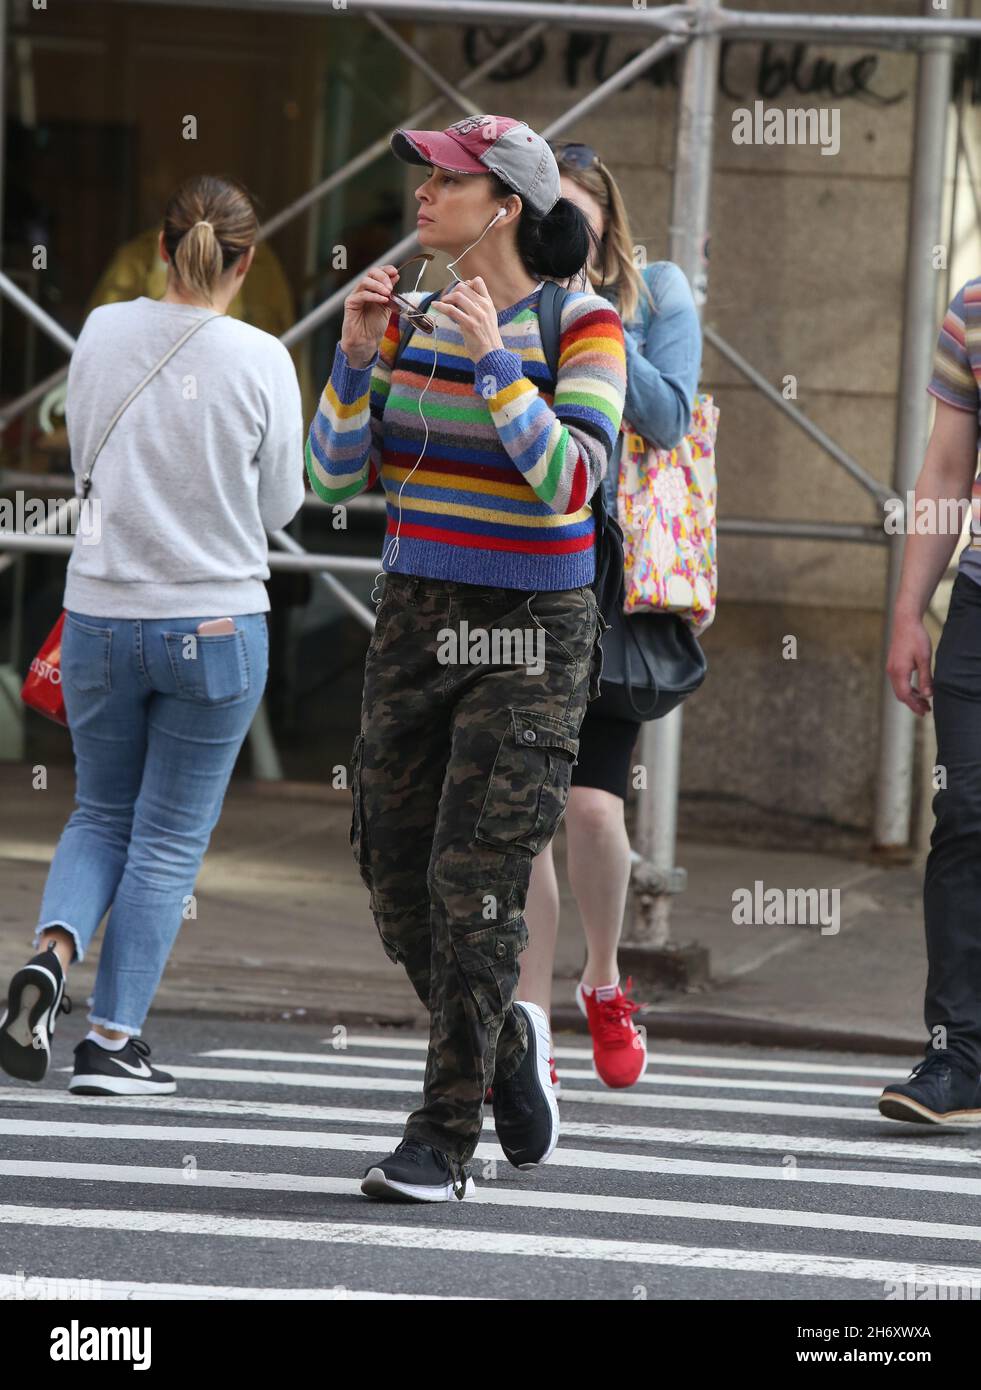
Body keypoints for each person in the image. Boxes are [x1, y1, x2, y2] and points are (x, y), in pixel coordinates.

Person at [306, 115, 626, 1201]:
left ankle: (442, 1136)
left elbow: (573, 481)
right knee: (396, 874)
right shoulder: (408, 318)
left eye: (444, 179)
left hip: (533, 629)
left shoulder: (582, 324)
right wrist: (353, 363)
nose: (421, 194)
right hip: (417, 616)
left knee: (474, 878)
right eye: (425, 176)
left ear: (504, 204)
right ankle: (500, 1049)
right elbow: (339, 478)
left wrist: (496, 362)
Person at [0, 174, 305, 1096]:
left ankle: (51, 954)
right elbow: (283, 504)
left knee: (100, 811)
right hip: (211, 623)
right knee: (168, 840)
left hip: (99, 615)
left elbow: (90, 445)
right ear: (245, 263)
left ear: (163, 250)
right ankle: (113, 1041)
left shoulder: (99, 333)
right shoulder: (261, 358)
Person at [520, 142, 702, 1090]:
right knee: (524, 808)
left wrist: (591, 312)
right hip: (525, 568)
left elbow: (668, 417)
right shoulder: (510, 293)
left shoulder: (657, 292)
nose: (558, 240)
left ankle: (601, 978)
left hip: (613, 584)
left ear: (606, 225)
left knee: (591, 805)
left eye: (576, 226)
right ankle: (530, 1024)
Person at [879, 274, 981, 1126]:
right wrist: (910, 609)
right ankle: (958, 1058)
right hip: (979, 606)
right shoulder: (975, 305)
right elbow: (947, 466)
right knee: (965, 820)